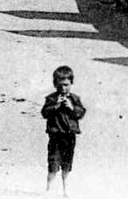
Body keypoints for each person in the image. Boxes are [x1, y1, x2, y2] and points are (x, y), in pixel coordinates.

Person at [41, 65, 85, 197]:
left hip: (69, 136)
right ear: (55, 85)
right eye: (60, 85)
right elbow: (44, 113)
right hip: (55, 135)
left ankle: (66, 190)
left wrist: (72, 108)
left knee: (67, 164)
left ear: (71, 83)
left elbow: (81, 113)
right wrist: (56, 106)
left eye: (66, 85)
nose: (63, 88)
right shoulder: (51, 99)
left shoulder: (75, 99)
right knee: (53, 163)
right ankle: (49, 190)